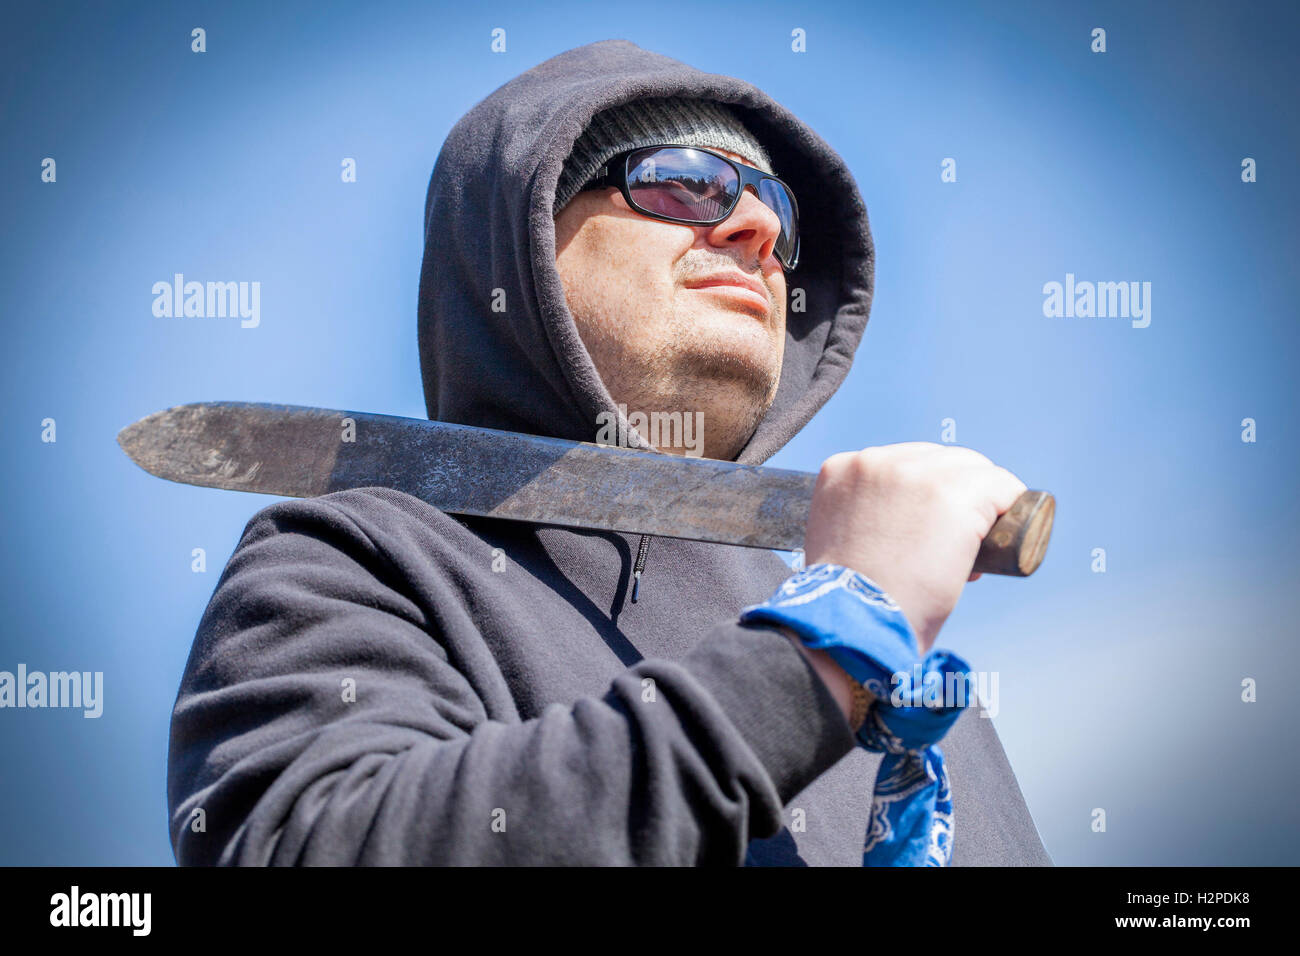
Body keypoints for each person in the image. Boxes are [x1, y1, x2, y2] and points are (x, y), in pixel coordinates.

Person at [167, 38, 1051, 866]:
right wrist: (815, 661)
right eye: (683, 183)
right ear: (520, 243)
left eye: (775, 211)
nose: (755, 231)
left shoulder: (920, 699)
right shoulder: (360, 568)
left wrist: (851, 632)